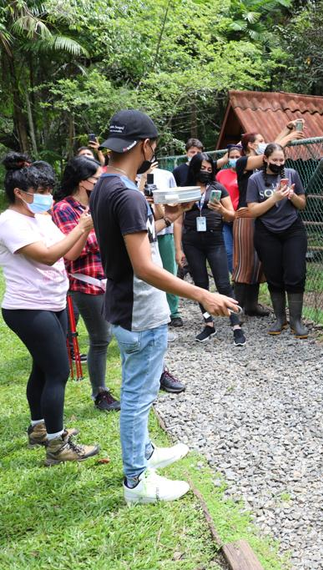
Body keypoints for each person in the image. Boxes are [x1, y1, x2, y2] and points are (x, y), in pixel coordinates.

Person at [90, 110, 238, 504]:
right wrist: (202, 295)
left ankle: (145, 452)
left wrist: (164, 218)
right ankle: (137, 481)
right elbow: (145, 266)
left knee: (138, 392)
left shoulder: (105, 185)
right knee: (138, 398)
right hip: (141, 311)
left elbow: (131, 239)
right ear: (145, 146)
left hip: (122, 305)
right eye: (154, 145)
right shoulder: (128, 194)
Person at [0, 152, 101, 465]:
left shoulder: (41, 218)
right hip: (28, 307)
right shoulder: (9, 222)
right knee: (59, 370)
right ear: (20, 193)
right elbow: (45, 256)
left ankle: (39, 428)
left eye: (48, 191)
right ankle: (57, 447)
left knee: (43, 368)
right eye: (41, 192)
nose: (47, 198)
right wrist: (80, 226)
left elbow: (68, 253)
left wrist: (84, 228)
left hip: (53, 302)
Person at [52, 156, 121, 412]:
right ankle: (100, 392)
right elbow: (72, 250)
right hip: (85, 282)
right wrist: (95, 234)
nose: (100, 183)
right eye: (96, 179)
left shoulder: (98, 203)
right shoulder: (63, 209)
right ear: (83, 182)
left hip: (111, 276)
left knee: (123, 333)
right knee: (101, 338)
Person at [230, 125, 304, 318]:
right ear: (250, 147)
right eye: (260, 142)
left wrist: (285, 131)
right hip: (248, 216)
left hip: (269, 219)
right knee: (244, 265)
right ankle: (237, 310)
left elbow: (273, 151)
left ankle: (252, 306)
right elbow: (273, 151)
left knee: (258, 266)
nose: (264, 144)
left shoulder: (280, 170)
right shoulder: (244, 162)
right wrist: (289, 137)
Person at [175, 153, 245, 346]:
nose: (205, 172)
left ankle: (236, 325)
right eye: (202, 168)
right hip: (192, 240)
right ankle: (208, 323)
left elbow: (231, 216)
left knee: (223, 283)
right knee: (200, 284)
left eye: (209, 169)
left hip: (215, 238)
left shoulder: (218, 188)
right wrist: (178, 249)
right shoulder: (185, 189)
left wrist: (221, 210)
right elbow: (178, 221)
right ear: (194, 168)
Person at [246, 143, 310, 337]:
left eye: (281, 160)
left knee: (296, 273)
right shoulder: (255, 179)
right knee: (274, 274)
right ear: (265, 159)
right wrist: (273, 198)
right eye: (274, 160)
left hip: (292, 228)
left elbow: (302, 204)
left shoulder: (291, 174)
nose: (279, 164)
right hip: (267, 231)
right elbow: (252, 211)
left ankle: (296, 321)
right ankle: (280, 318)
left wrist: (291, 195)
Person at [144, 164, 184, 328]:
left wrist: (178, 247)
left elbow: (174, 206)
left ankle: (173, 312)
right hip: (142, 232)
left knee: (169, 272)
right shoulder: (131, 174)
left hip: (164, 231)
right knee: (146, 273)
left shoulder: (166, 175)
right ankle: (152, 313)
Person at [214, 144, 242, 274]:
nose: (234, 159)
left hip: (241, 218)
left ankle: (243, 278)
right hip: (224, 217)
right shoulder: (221, 174)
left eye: (237, 157)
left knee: (241, 250)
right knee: (228, 251)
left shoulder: (247, 174)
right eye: (232, 157)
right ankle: (235, 277)